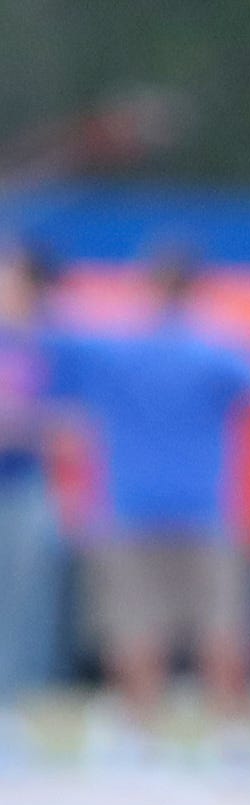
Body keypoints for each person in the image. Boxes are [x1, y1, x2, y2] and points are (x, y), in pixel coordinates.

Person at [45, 237, 250, 760]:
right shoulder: (222, 352)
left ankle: (138, 732)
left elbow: (46, 344)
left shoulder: (114, 351)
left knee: (134, 624)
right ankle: (230, 734)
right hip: (207, 508)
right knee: (221, 623)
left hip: (128, 506)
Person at [0, 239, 58, 750]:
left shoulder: (44, 340)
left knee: (20, 602)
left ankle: (10, 705)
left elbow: (67, 420)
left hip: (21, 485)